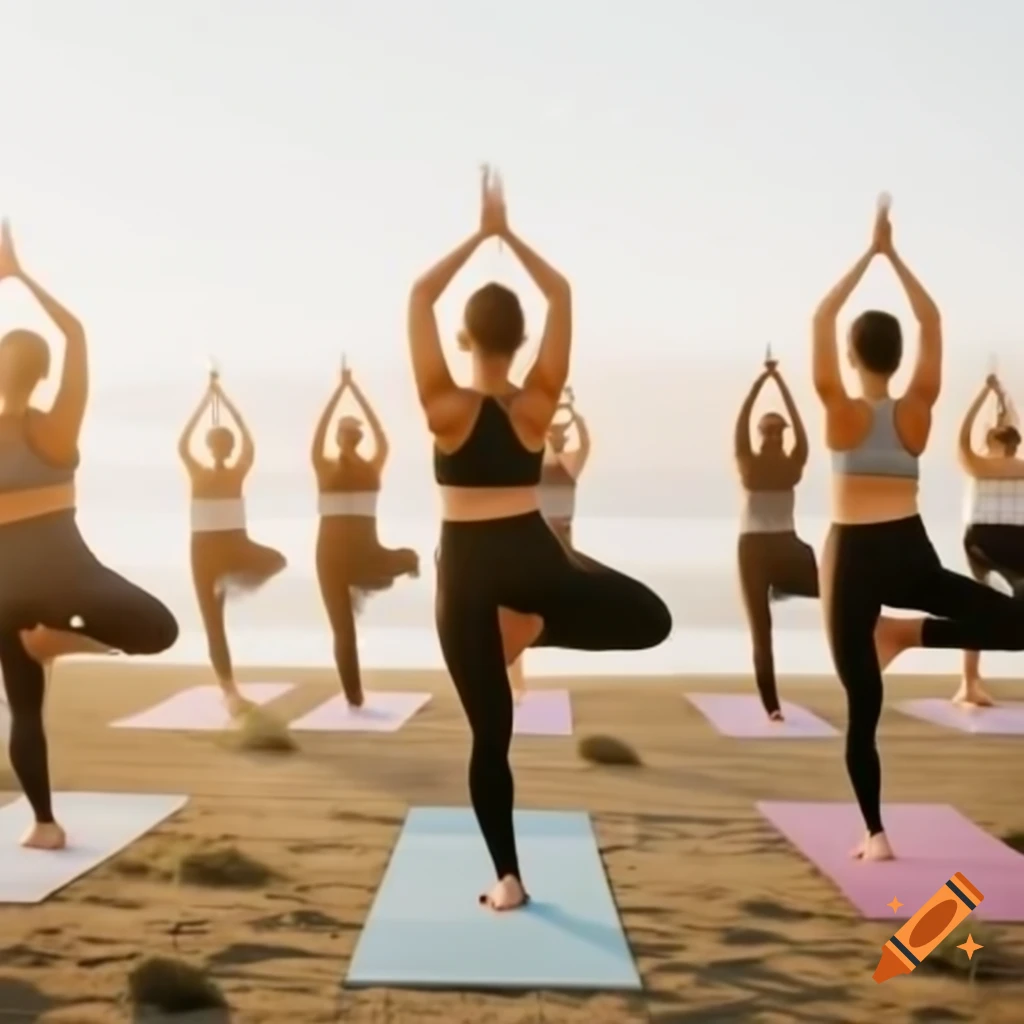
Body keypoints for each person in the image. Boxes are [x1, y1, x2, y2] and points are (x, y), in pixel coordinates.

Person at [408, 167, 672, 911]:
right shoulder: (536, 405)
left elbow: (419, 297)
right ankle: (539, 623)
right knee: (650, 619)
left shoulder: (444, 406)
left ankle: (508, 879)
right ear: (522, 340)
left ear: (465, 337)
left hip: (465, 571)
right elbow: (561, 295)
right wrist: (509, 235)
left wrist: (478, 233)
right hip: (532, 552)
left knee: (490, 738)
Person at [812, 194, 1024, 863]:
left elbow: (822, 314)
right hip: (907, 552)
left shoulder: (838, 409)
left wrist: (868, 253)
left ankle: (875, 833)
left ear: (851, 356)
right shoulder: (918, 409)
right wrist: (894, 255)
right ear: (900, 358)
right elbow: (932, 317)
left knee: (862, 705)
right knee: (1014, 626)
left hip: (851, 556)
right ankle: (912, 632)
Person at [0, 220, 178, 849]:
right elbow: (75, 333)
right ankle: (63, 641)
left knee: (24, 708)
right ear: (42, 375)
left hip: (3, 587)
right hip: (64, 571)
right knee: (160, 630)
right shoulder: (55, 428)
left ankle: (44, 824)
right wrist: (21, 276)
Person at [178, 367, 287, 718]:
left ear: (213, 447)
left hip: (211, 548)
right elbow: (248, 442)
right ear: (221, 446)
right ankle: (228, 689)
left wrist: (208, 399)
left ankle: (228, 688)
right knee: (274, 561)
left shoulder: (202, 473)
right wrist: (222, 400)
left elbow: (183, 443)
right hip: (224, 548)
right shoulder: (232, 471)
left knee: (213, 622)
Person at [312, 359, 418, 708]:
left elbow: (381, 434)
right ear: (339, 438)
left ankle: (369, 583)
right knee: (343, 630)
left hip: (365, 552)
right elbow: (320, 430)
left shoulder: (372, 465)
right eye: (344, 434)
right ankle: (354, 697)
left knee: (407, 559)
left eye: (352, 435)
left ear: (356, 438)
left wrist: (353, 389)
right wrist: (340, 390)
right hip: (329, 555)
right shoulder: (325, 466)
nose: (348, 439)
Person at [734, 352, 818, 720]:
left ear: (781, 435)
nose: (770, 434)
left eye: (775, 430)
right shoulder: (749, 462)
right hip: (753, 549)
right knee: (761, 629)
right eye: (765, 430)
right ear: (760, 435)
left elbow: (801, 427)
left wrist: (778, 383)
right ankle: (772, 706)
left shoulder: (793, 461)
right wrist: (762, 383)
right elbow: (741, 421)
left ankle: (784, 586)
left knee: (827, 582)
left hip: (786, 544)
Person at [957, 372, 1024, 706]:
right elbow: (1008, 427)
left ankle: (969, 683)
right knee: (984, 605)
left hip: (986, 539)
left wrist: (985, 394)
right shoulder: (1017, 464)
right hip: (1006, 542)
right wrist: (999, 397)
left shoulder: (978, 464)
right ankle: (969, 683)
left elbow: (964, 437)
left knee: (978, 606)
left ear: (996, 444)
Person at [540, 386, 590, 549]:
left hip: (562, 535)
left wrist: (572, 412)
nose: (558, 438)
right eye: (554, 435)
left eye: (561, 435)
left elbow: (585, 444)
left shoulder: (570, 464)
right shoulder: (540, 464)